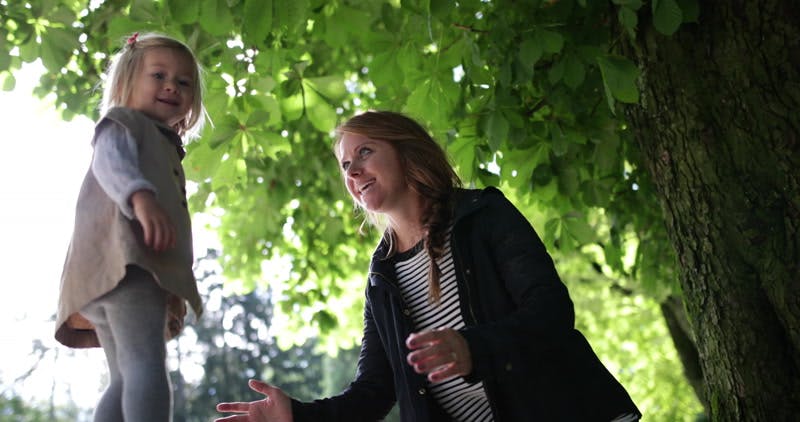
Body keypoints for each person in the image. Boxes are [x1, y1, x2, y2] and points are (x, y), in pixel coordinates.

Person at [216, 111, 641, 421]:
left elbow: (551, 312)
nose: (353, 171)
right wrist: (297, 416)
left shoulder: (483, 215)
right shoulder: (382, 279)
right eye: (346, 164)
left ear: (405, 152)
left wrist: (473, 348)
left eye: (365, 152)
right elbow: (374, 391)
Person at [55, 32, 206, 421]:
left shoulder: (161, 142)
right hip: (129, 266)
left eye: (183, 82)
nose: (171, 86)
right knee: (146, 366)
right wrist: (141, 197)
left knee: (124, 375)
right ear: (126, 82)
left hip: (106, 273)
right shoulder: (124, 123)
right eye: (158, 75)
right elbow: (110, 162)